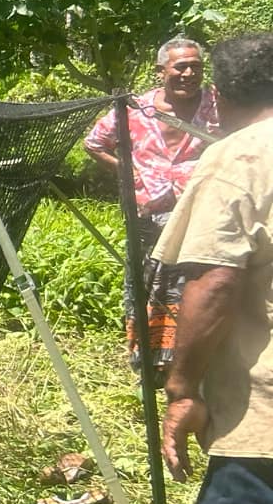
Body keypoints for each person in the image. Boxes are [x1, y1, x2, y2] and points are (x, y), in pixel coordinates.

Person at [147, 33, 273, 504]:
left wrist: (182, 388)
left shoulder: (241, 156)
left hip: (263, 404)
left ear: (219, 93)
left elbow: (216, 283)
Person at [86, 37, 223, 373]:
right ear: (161, 71)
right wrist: (130, 172)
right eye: (181, 66)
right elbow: (94, 143)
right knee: (149, 282)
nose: (190, 73)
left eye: (196, 66)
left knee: (196, 281)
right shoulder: (137, 109)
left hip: (202, 212)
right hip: (149, 216)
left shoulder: (218, 105)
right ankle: (149, 360)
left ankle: (191, 361)